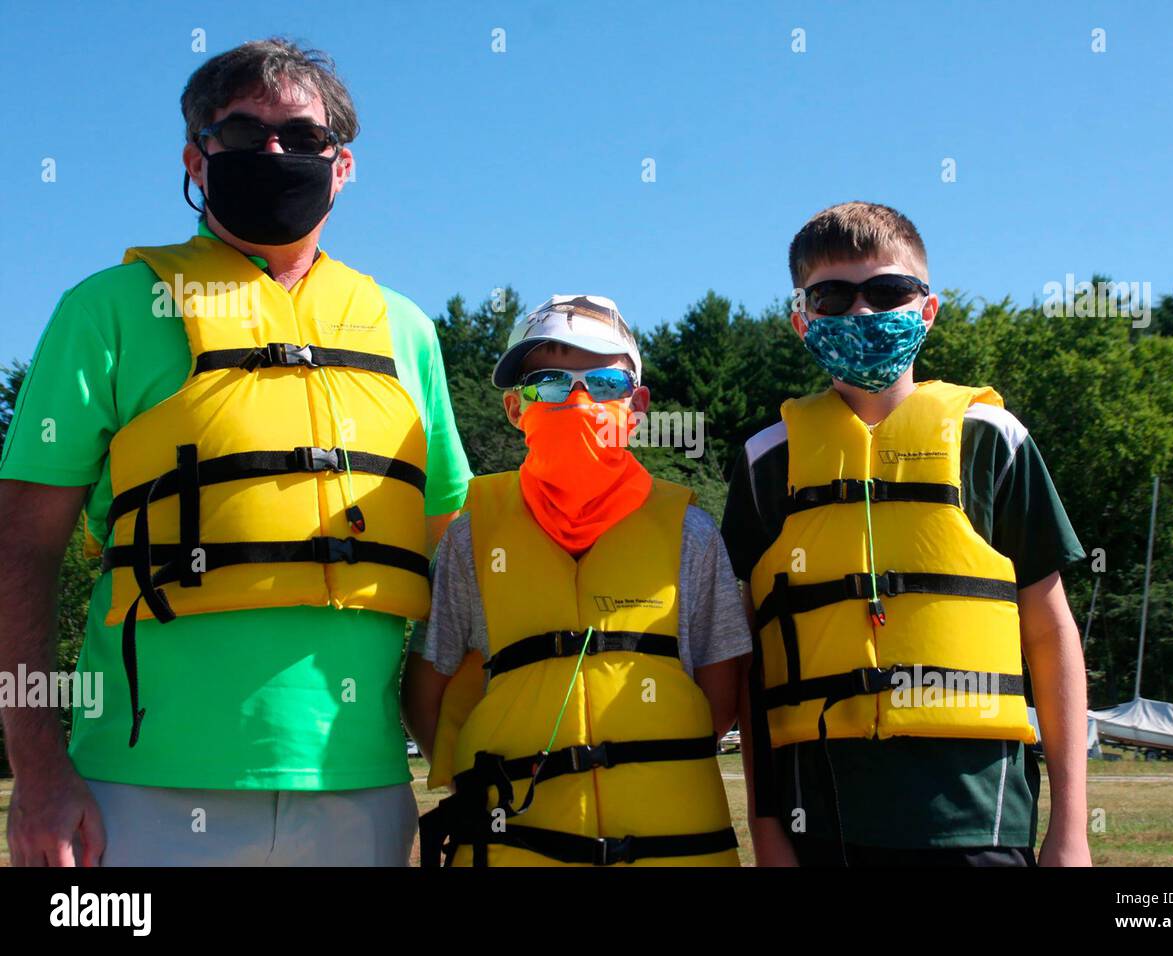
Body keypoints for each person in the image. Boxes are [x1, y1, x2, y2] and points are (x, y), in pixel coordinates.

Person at [0, 38, 470, 866]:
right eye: (245, 135)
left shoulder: (407, 329)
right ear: (196, 157)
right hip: (136, 790)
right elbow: (18, 551)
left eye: (302, 136)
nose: (275, 152)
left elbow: (458, 559)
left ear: (344, 164)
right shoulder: (106, 310)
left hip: (361, 791)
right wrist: (38, 770)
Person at [723, 201, 1092, 867]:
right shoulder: (762, 463)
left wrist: (1071, 829)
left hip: (979, 816)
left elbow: (1050, 631)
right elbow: (751, 660)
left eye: (888, 291)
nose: (861, 313)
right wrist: (766, 828)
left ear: (927, 309)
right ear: (801, 318)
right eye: (833, 295)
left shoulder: (995, 442)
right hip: (821, 821)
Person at [403, 294, 750, 867]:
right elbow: (428, 693)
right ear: (515, 408)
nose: (580, 400)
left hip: (672, 847)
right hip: (515, 843)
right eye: (550, 383)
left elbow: (721, 698)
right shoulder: (470, 537)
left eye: (605, 383)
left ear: (637, 406)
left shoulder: (692, 533)